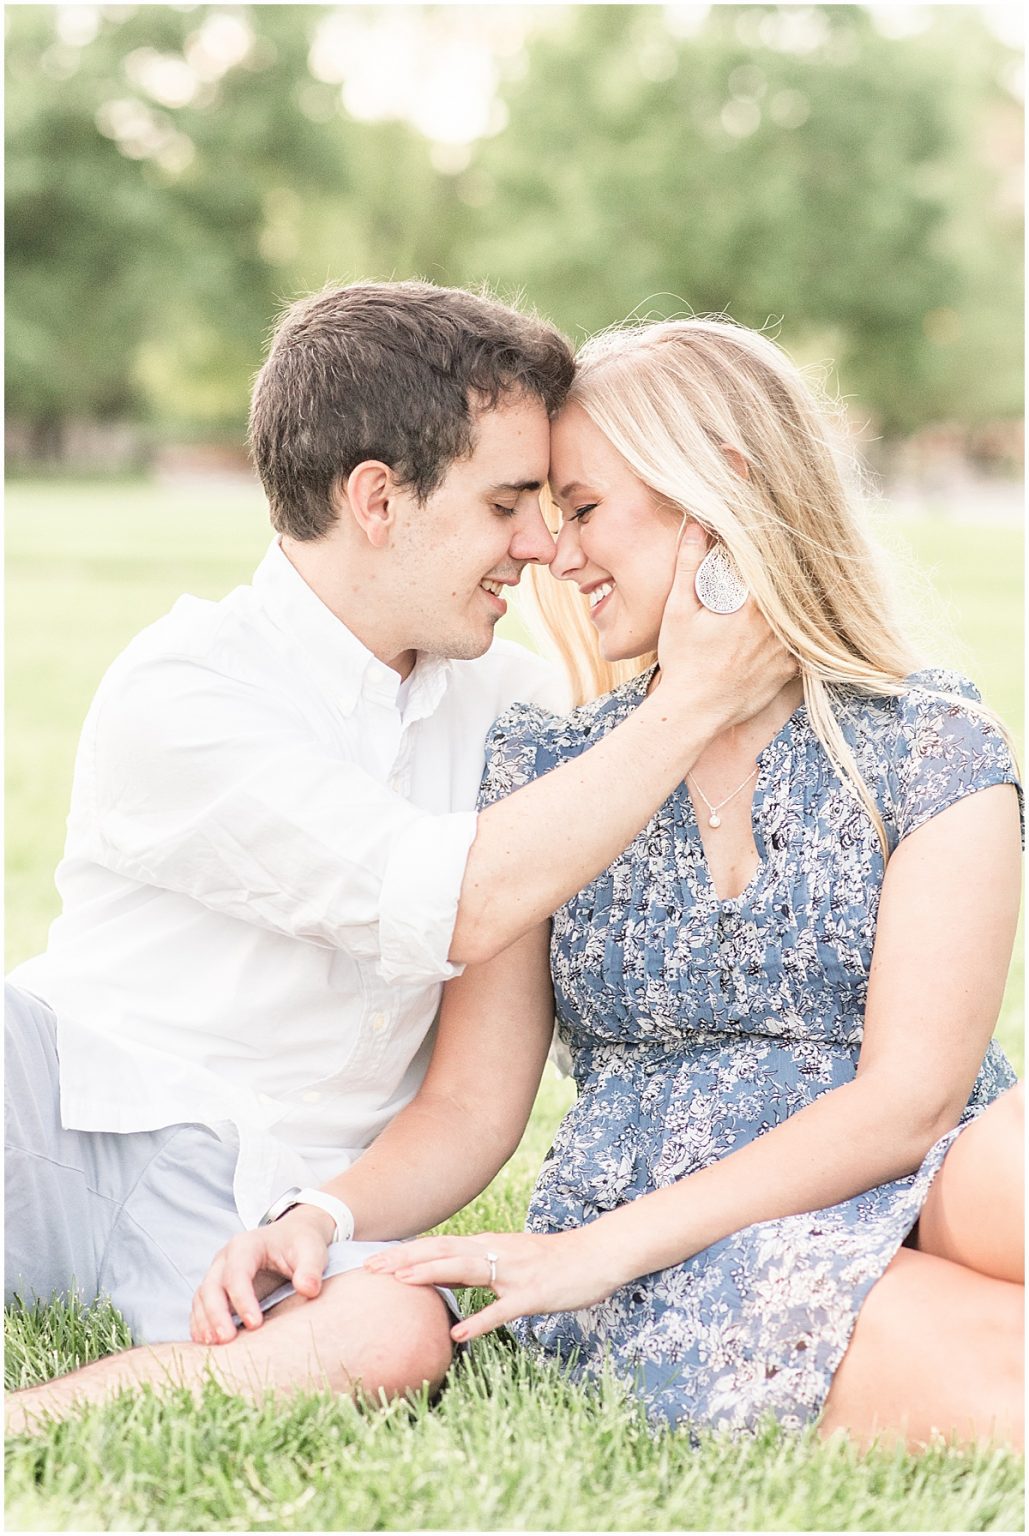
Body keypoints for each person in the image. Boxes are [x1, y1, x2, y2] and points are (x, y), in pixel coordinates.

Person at [205, 315, 1022, 1451]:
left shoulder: (930, 743)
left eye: (581, 508)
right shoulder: (549, 772)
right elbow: (471, 1106)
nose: (552, 551)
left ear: (716, 496)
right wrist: (325, 1214)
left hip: (924, 1162)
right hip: (672, 1230)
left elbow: (913, 1102)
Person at [4, 288, 792, 1433]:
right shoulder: (184, 687)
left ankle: (32, 1419)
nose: (542, 544)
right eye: (507, 503)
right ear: (377, 499)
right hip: (63, 1119)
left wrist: (326, 1213)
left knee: (399, 1329)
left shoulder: (519, 711)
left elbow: (477, 1092)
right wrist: (691, 705)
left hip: (278, 1207)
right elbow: (449, 900)